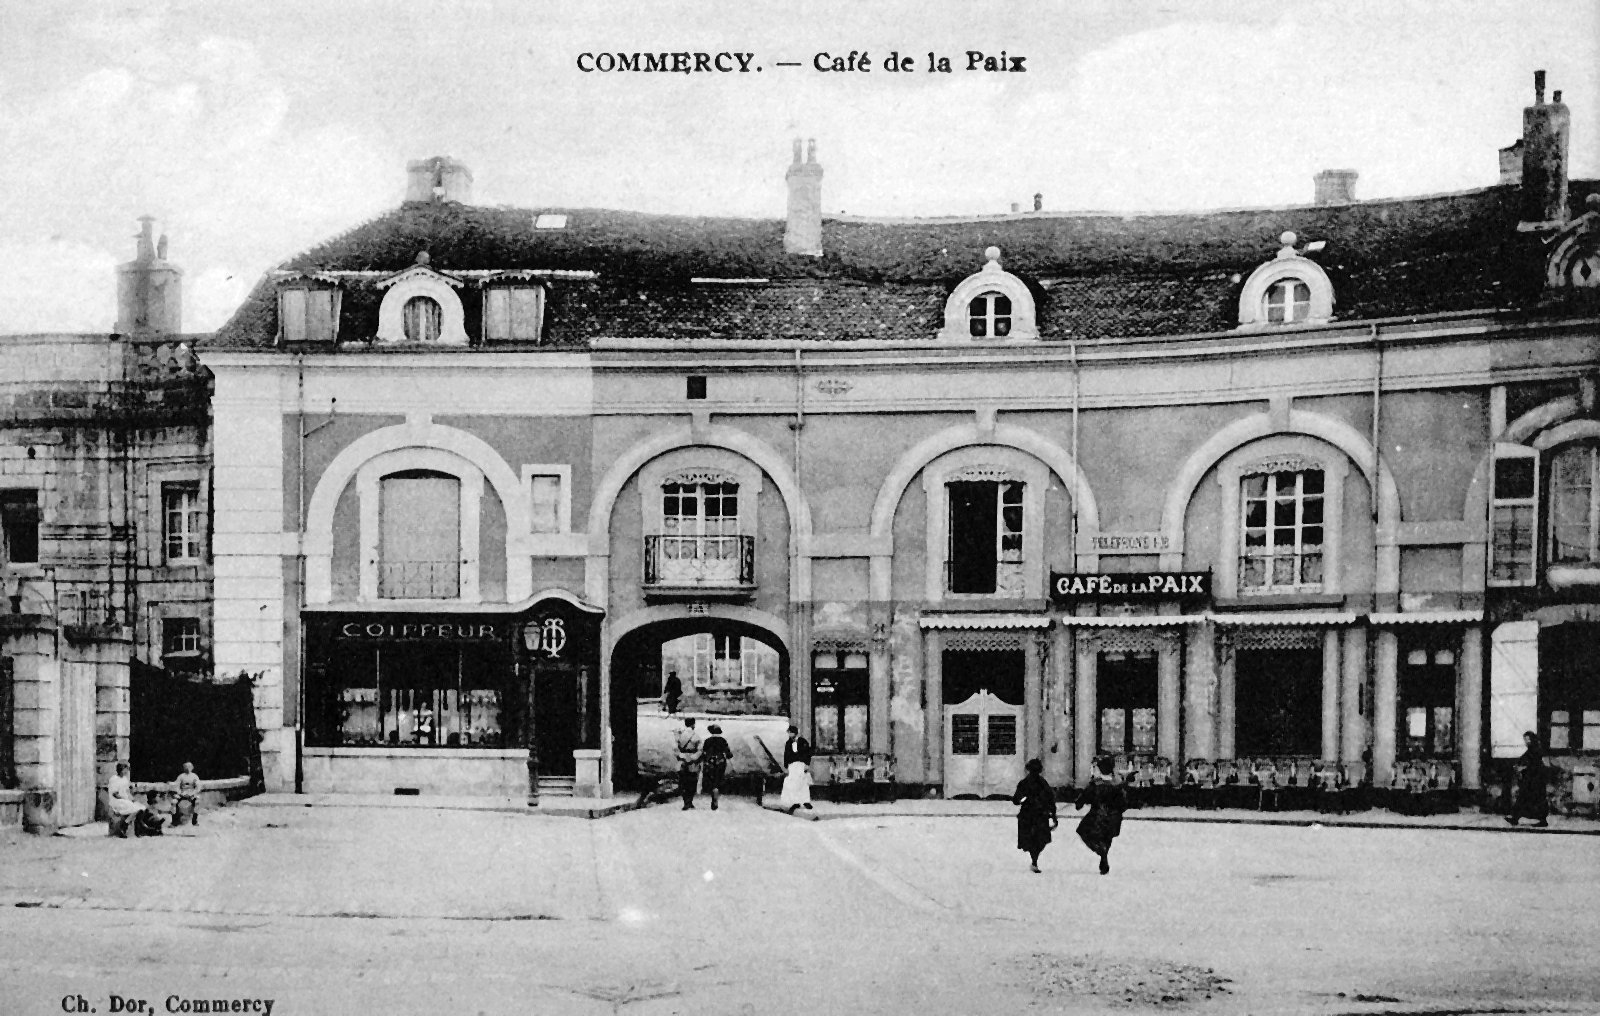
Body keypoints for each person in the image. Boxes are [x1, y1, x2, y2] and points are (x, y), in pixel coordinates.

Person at [1074, 756, 1129, 875]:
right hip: (1113, 816)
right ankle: (1104, 855)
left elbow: (1084, 796)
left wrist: (1079, 803)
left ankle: (1101, 852)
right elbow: (1123, 802)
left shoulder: (1096, 784)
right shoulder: (1116, 784)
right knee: (1107, 837)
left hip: (1097, 814)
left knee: (1084, 831)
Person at [1012, 758, 1058, 873]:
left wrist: (1024, 799)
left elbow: (1016, 800)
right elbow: (1051, 800)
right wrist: (1053, 815)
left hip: (1029, 814)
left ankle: (1034, 860)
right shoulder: (1043, 784)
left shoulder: (1024, 783)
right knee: (1039, 839)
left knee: (1032, 839)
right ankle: (1034, 860)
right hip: (1039, 815)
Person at [1507, 731, 1550, 827]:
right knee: (1525, 798)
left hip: (1535, 780)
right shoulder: (1532, 750)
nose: (1526, 742)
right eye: (1525, 740)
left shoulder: (1536, 750)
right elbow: (1525, 760)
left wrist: (1523, 768)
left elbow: (1535, 764)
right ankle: (1515, 817)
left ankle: (1517, 818)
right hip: (1531, 779)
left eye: (1527, 739)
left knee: (1533, 799)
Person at [780, 725, 813, 813]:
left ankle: (806, 801)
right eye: (788, 733)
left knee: (803, 782)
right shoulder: (788, 743)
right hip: (792, 765)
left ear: (795, 733)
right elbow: (786, 755)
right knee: (793, 783)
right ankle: (795, 802)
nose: (789, 734)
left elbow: (808, 753)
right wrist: (786, 767)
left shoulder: (803, 741)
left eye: (790, 732)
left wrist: (807, 764)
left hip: (801, 764)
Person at [700, 723, 733, 810]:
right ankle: (716, 794)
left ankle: (713, 795)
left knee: (711, 780)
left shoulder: (707, 741)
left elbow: (704, 753)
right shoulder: (723, 740)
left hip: (710, 763)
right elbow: (729, 754)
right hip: (720, 762)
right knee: (718, 780)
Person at [106, 761, 143, 838]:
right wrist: (125, 799)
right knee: (136, 809)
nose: (127, 771)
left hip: (125, 800)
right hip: (117, 801)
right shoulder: (114, 779)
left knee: (141, 808)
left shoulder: (125, 779)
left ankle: (135, 829)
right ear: (121, 769)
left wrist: (132, 799)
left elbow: (127, 792)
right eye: (125, 769)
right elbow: (115, 794)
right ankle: (124, 825)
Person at [675, 717, 703, 810]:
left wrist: (681, 756)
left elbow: (676, 749)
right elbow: (700, 750)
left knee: (683, 782)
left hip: (682, 760)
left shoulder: (679, 735)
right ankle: (689, 801)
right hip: (692, 761)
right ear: (693, 724)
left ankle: (685, 802)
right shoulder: (696, 736)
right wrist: (692, 758)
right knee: (692, 781)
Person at [174, 761, 201, 827]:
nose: (187, 768)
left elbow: (198, 787)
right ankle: (174, 821)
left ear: (192, 768)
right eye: (186, 767)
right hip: (182, 793)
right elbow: (176, 786)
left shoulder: (194, 776)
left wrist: (193, 793)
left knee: (197, 802)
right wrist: (181, 793)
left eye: (189, 767)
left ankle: (194, 821)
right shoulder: (181, 776)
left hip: (191, 793)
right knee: (174, 802)